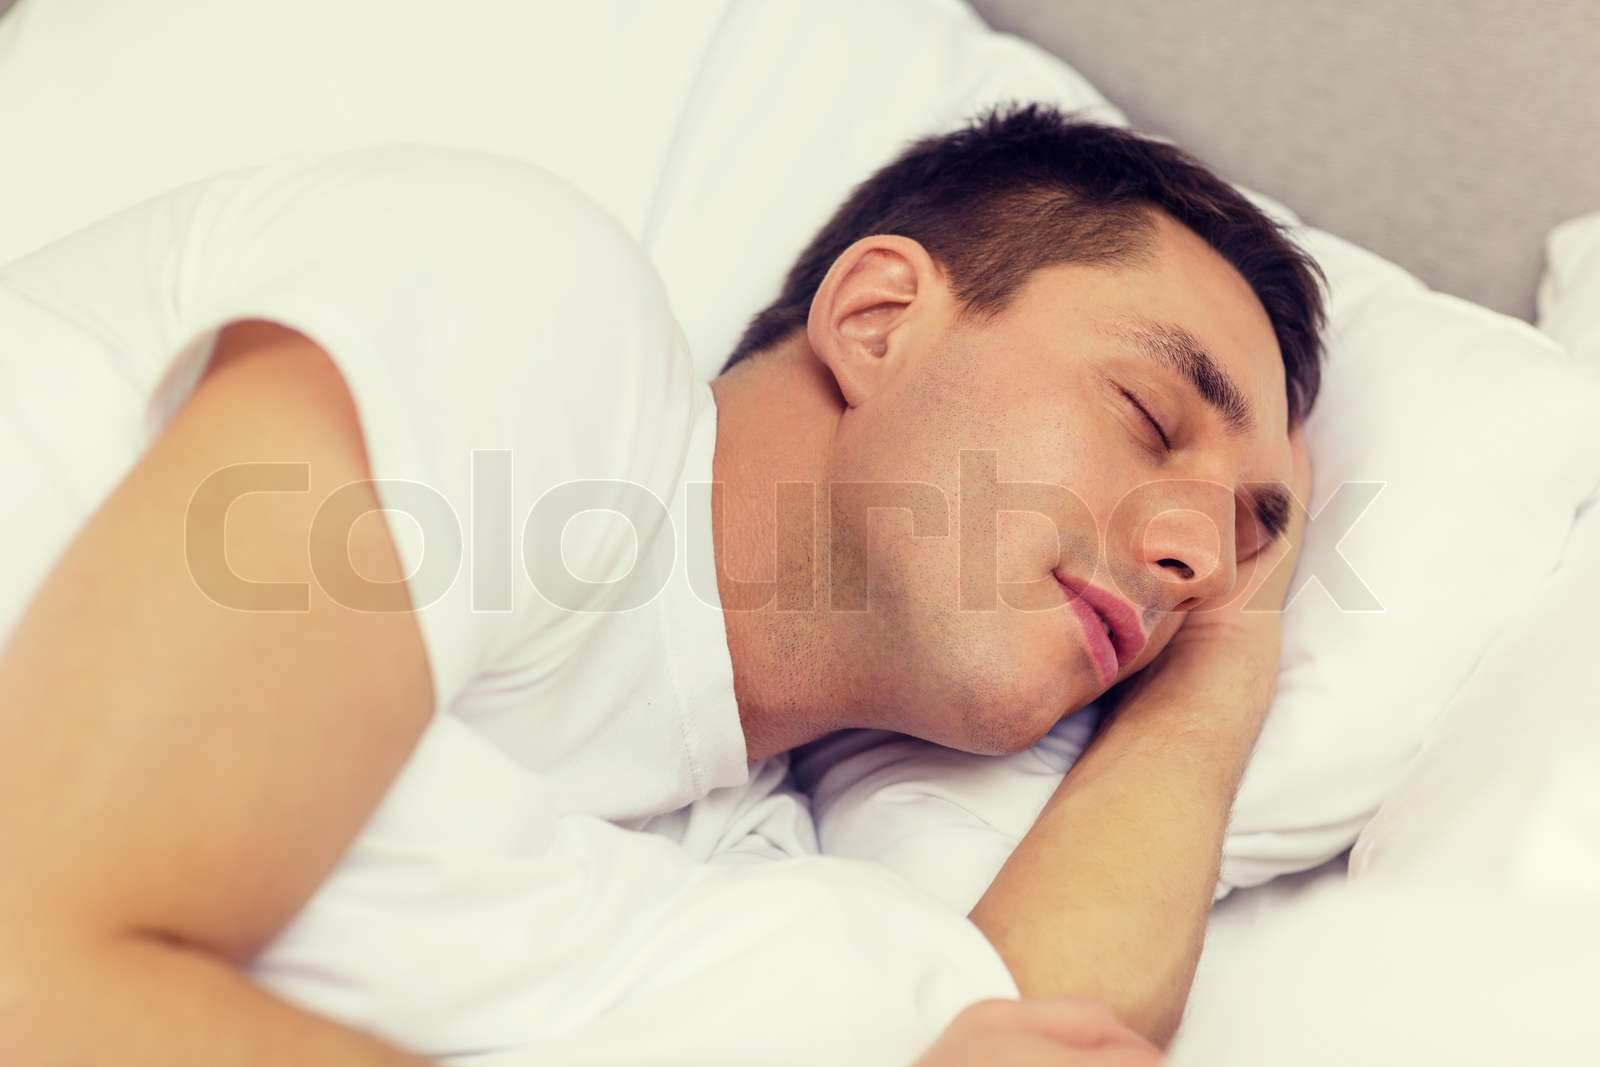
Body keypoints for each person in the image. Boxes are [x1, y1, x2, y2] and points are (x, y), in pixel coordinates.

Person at [0, 104, 1320, 1065]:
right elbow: (33, 982)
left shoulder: (727, 856)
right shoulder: (527, 307)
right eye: (1149, 416)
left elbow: (1038, 1030)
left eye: (1247, 536)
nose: (1203, 559)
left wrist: (1222, 664)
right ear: (876, 322)